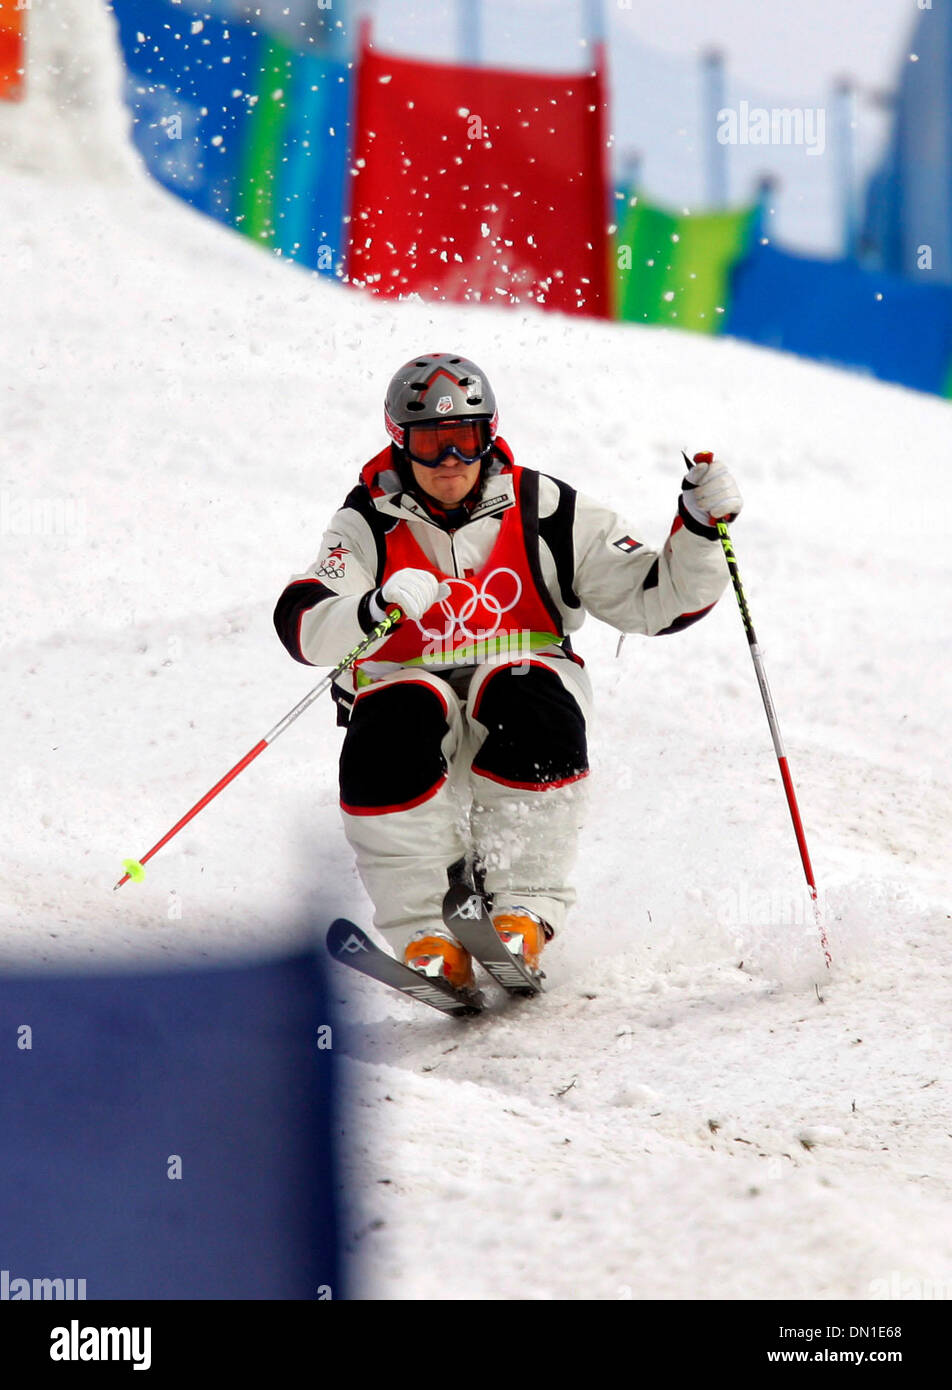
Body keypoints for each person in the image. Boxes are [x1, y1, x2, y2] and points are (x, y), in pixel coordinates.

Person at [274, 352, 742, 996]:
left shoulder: (545, 509)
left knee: (521, 685)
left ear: (488, 435)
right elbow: (302, 621)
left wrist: (697, 529)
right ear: (398, 441)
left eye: (463, 441)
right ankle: (426, 936)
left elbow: (656, 600)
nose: (448, 464)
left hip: (522, 707)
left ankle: (523, 911)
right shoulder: (366, 522)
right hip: (413, 716)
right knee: (399, 706)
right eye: (430, 444)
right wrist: (371, 607)